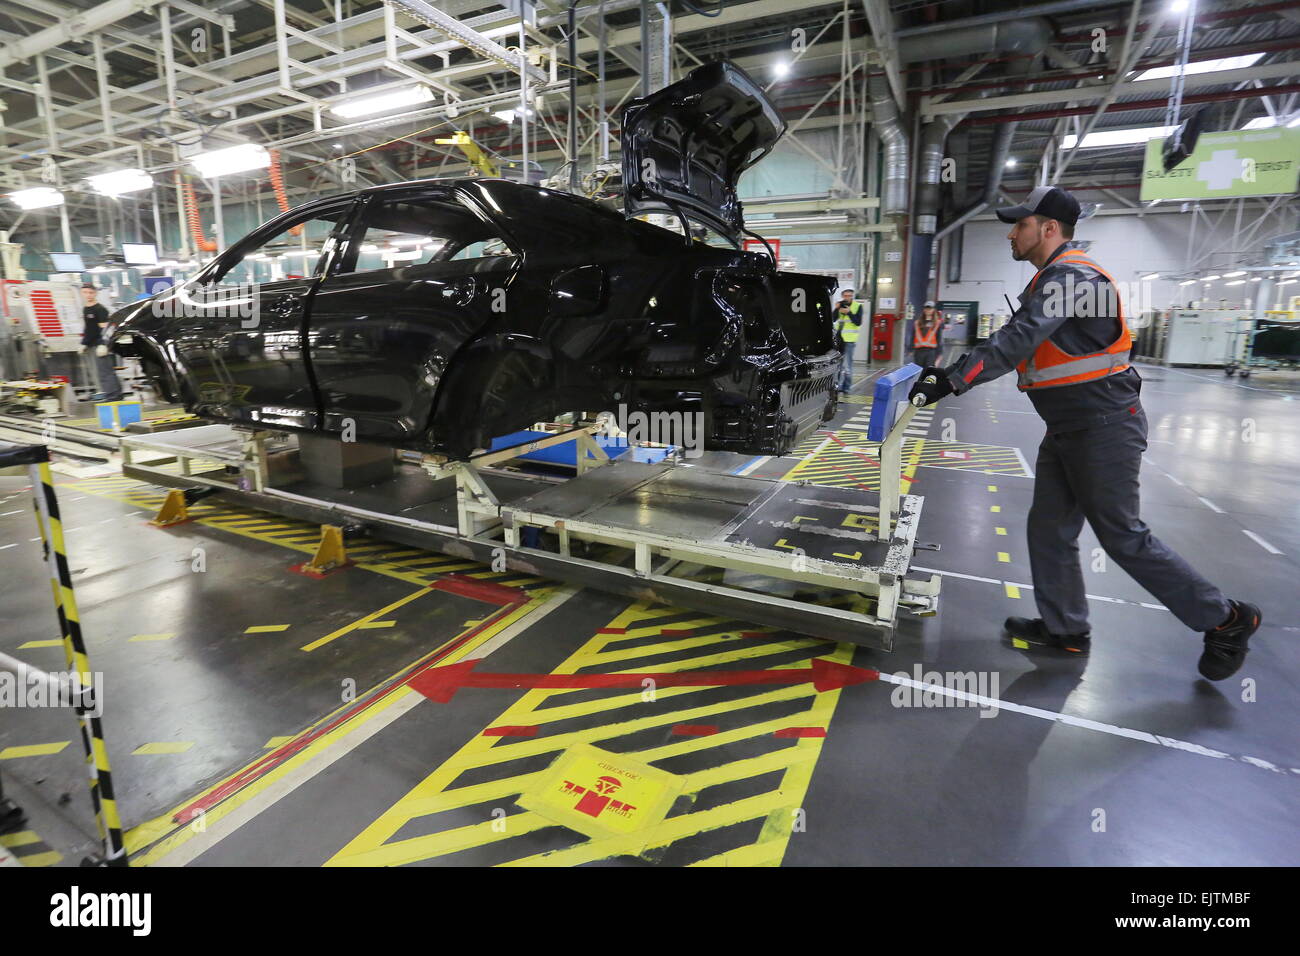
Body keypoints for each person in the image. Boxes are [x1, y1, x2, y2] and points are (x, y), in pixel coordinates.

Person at [907, 185, 1261, 681]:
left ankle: (1225, 619)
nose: (1012, 232)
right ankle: (1066, 627)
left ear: (1049, 228)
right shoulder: (1056, 279)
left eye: (1020, 224)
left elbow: (1017, 339)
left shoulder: (1073, 277)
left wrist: (951, 378)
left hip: (1104, 427)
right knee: (1049, 528)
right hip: (1071, 427)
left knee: (1123, 536)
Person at [80, 284, 124, 401]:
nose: (88, 295)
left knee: (105, 372)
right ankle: (116, 393)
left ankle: (112, 396)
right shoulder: (86, 308)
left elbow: (105, 329)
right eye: (85, 292)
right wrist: (84, 343)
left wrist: (103, 344)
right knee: (103, 371)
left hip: (101, 345)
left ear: (95, 293)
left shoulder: (100, 309)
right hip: (93, 344)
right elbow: (89, 328)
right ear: (82, 293)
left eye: (90, 292)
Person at [831, 288, 863, 392]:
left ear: (852, 296)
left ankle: (846, 387)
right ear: (842, 296)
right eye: (845, 296)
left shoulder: (858, 306)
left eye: (849, 296)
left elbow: (858, 322)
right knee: (838, 364)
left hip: (849, 340)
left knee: (847, 365)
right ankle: (837, 386)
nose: (847, 298)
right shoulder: (840, 305)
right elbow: (833, 319)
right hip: (839, 339)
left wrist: (849, 312)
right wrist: (836, 309)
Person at [912, 300, 944, 368]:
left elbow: (939, 339)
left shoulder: (937, 323)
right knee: (919, 373)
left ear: (933, 310)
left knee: (928, 372)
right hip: (919, 352)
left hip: (931, 352)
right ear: (924, 309)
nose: (928, 310)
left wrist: (939, 354)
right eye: (926, 308)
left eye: (930, 308)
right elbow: (913, 336)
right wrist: (910, 349)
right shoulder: (917, 322)